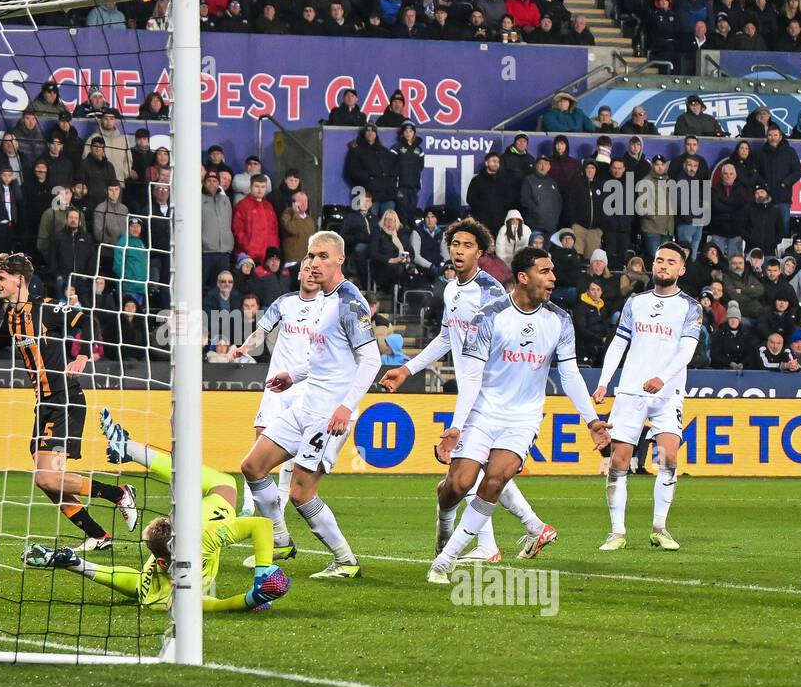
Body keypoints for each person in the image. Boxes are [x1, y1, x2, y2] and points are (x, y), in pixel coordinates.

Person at [429, 247, 611, 582]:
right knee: (457, 485)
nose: (552, 278)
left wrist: (592, 420)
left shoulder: (559, 319)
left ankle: (446, 558)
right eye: (545, 271)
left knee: (495, 480)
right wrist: (456, 425)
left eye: (553, 271)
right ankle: (443, 527)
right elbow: (470, 376)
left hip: (523, 418)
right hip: (483, 412)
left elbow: (569, 375)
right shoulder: (490, 315)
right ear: (523, 277)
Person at [0, 252, 137, 551]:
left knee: (48, 476)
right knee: (46, 482)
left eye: (1, 278)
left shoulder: (47, 309)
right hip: (43, 405)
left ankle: (118, 493)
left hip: (65, 400)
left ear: (19, 280)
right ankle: (98, 535)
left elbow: (89, 320)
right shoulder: (13, 316)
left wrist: (82, 355)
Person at [380, 218, 551, 562]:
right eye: (455, 244)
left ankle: (515, 533)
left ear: (481, 253)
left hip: (490, 392)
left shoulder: (490, 293)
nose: (459, 251)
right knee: (476, 471)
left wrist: (457, 423)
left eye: (467, 245)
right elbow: (446, 337)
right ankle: (519, 533)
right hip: (472, 389)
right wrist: (407, 368)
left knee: (470, 473)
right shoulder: (452, 289)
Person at [25, 412, 292, 615]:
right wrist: (257, 587)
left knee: (221, 485)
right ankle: (129, 449)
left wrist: (257, 591)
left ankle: (128, 448)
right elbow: (261, 526)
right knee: (225, 483)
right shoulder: (202, 539)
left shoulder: (164, 592)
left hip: (200, 519)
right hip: (206, 520)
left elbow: (140, 584)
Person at [239, 231, 379, 580]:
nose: (314, 263)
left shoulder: (349, 302)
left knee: (301, 491)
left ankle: (345, 560)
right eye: (310, 256)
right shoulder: (324, 301)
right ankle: (279, 537)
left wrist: (346, 407)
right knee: (253, 466)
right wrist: (294, 375)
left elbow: (371, 359)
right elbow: (326, 357)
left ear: (340, 260)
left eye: (323, 257)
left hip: (329, 413)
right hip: (305, 401)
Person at [591, 244, 700, 551]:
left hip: (667, 392)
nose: (663, 266)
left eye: (671, 262)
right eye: (659, 260)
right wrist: (603, 382)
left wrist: (662, 379)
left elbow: (687, 350)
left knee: (669, 457)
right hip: (630, 390)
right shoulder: (635, 303)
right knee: (619, 460)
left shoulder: (690, 307)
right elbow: (618, 343)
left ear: (681, 270)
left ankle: (659, 528)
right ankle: (616, 532)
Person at [227, 258, 322, 548]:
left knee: (291, 451)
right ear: (299, 275)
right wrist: (245, 346)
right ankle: (247, 504)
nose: (309, 273)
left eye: (313, 270)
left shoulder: (327, 307)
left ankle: (278, 506)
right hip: (276, 385)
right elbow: (262, 332)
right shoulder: (284, 302)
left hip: (305, 385)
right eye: (305, 269)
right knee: (260, 440)